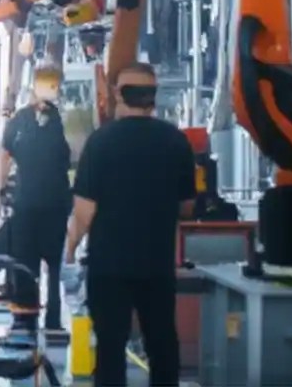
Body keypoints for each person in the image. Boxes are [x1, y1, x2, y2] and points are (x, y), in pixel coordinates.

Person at [63, 62, 196, 387]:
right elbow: (187, 208)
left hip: (109, 267)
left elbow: (84, 212)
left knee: (110, 346)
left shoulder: (100, 142)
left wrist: (69, 249)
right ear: (153, 98)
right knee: (162, 343)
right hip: (157, 265)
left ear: (119, 95)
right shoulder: (177, 143)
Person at [0, 65, 73, 334]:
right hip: (54, 201)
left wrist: (2, 190)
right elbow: (75, 155)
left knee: (26, 261)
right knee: (52, 262)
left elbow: (5, 156)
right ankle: (51, 320)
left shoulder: (20, 120)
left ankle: (25, 320)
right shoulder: (64, 119)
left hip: (30, 201)